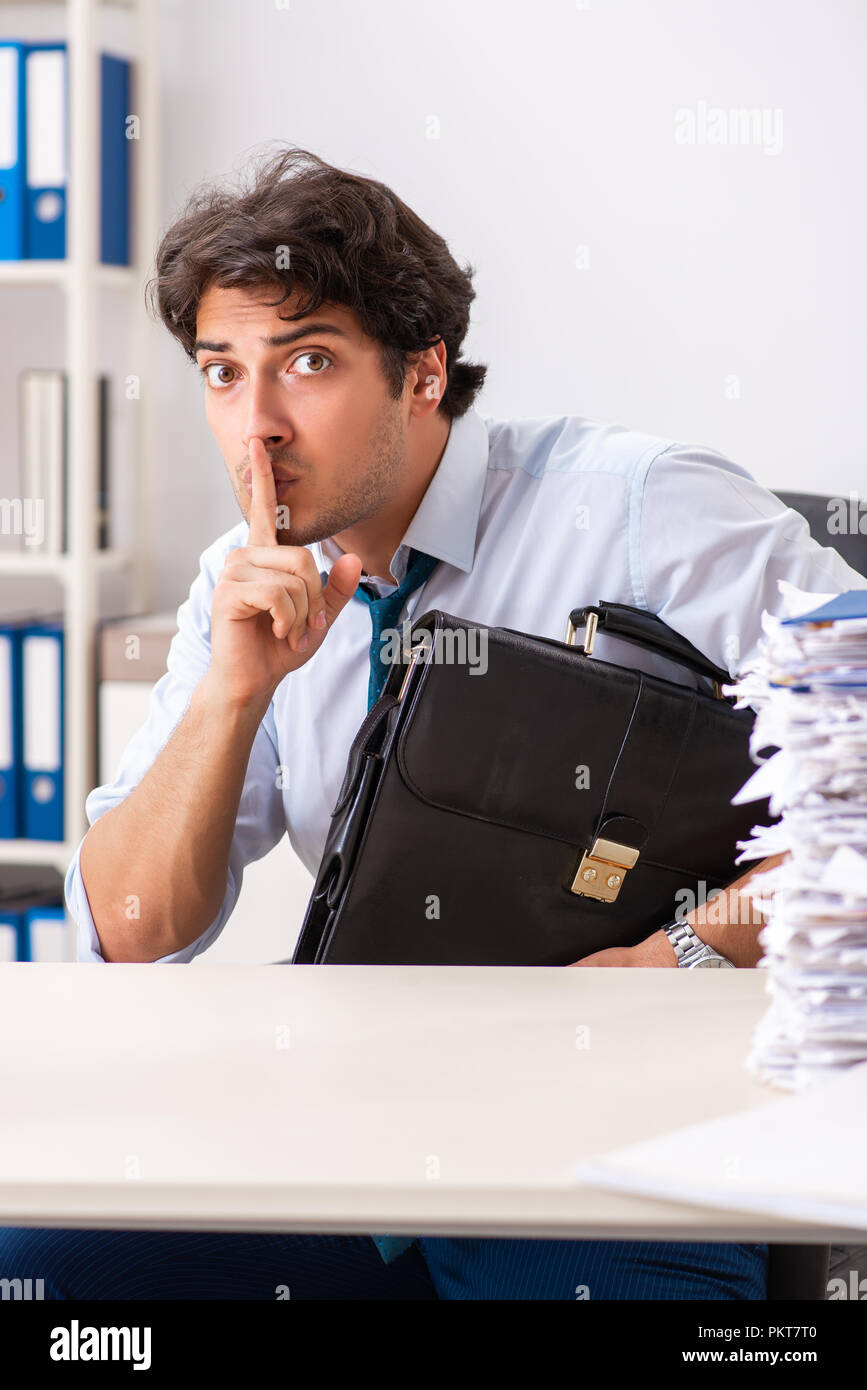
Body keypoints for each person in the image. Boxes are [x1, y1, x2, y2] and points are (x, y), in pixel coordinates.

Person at [2, 146, 864, 1300]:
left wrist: (683, 952)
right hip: (347, 1138)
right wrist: (231, 693)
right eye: (220, 373)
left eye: (306, 363)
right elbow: (136, 931)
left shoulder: (642, 508)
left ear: (423, 371)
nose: (255, 428)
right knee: (42, 1283)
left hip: (619, 1140)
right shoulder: (239, 585)